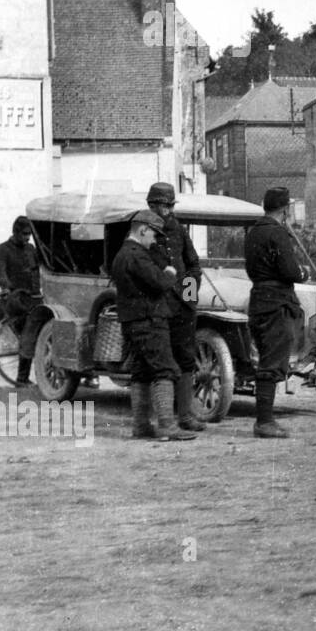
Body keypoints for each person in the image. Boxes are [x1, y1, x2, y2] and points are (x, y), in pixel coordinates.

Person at [112, 210, 195, 441]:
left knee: (141, 371)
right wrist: (170, 274)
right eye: (154, 234)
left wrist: (187, 297)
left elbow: (192, 268)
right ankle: (168, 425)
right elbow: (162, 281)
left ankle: (141, 425)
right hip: (151, 319)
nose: (156, 239)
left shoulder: (122, 254)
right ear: (142, 230)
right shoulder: (138, 254)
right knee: (165, 369)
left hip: (136, 320)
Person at [145, 182, 208, 432]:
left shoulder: (178, 229)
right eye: (163, 206)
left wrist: (189, 296)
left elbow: (193, 264)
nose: (167, 211)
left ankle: (185, 416)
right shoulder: (142, 230)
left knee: (185, 359)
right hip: (157, 306)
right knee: (159, 362)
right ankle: (158, 418)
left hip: (182, 307)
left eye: (170, 206)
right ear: (151, 205)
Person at [244, 187, 306, 439]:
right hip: (277, 302)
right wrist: (303, 273)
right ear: (285, 210)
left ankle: (265, 419)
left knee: (267, 356)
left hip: (258, 298)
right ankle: (264, 422)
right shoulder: (278, 233)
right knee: (272, 361)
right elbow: (290, 271)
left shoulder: (253, 232)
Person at [0, 216, 43, 387]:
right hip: (15, 301)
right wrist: (7, 288)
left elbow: (38, 271)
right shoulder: (1, 250)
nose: (27, 237)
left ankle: (27, 377)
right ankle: (22, 379)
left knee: (34, 335)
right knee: (26, 335)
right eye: (24, 234)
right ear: (15, 232)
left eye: (29, 234)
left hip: (33, 299)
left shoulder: (31, 249)